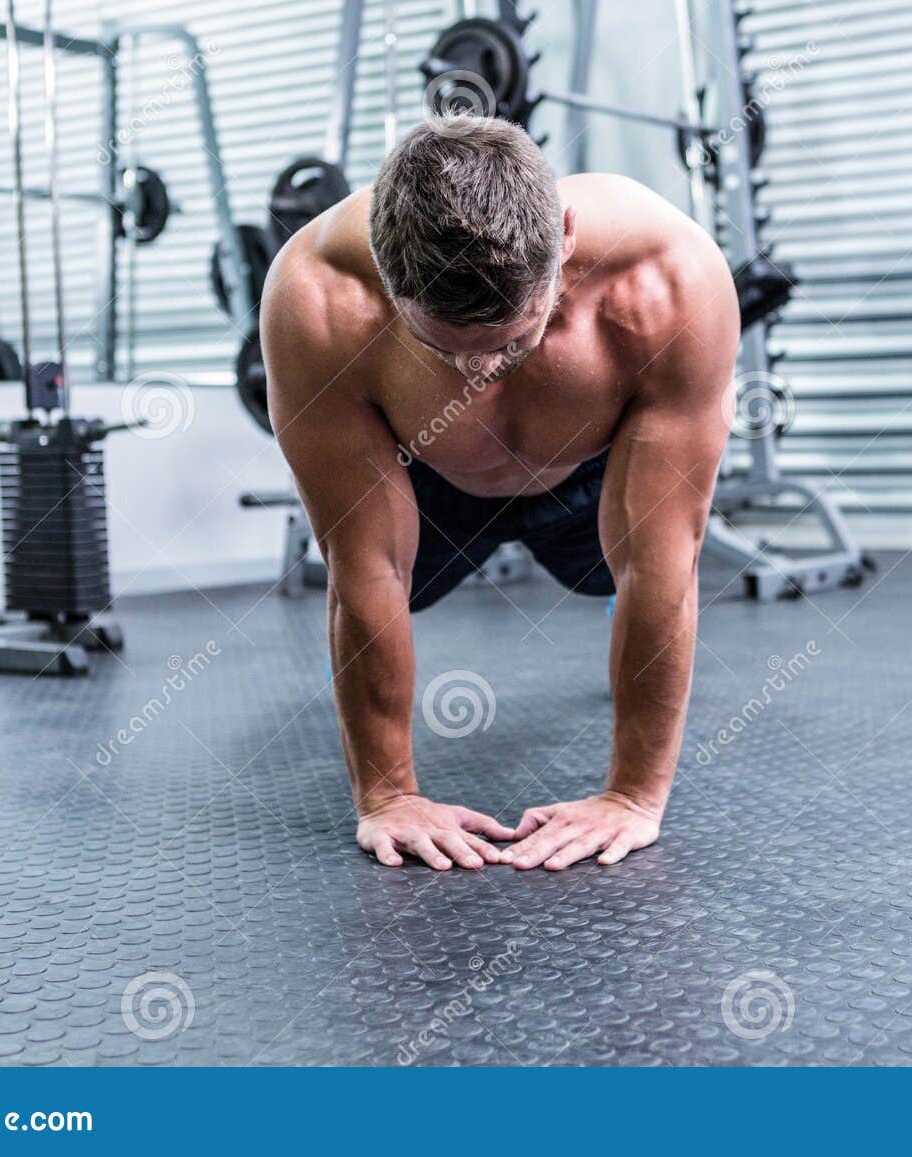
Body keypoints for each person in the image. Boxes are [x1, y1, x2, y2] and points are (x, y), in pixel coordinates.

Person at [261, 116, 739, 871]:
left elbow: (662, 564)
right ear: (388, 280)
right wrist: (387, 794)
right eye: (441, 347)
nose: (477, 375)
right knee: (381, 583)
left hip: (589, 478)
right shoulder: (317, 295)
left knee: (640, 570)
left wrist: (633, 796)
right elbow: (368, 570)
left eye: (514, 340)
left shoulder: (668, 280)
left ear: (568, 238)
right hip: (432, 489)